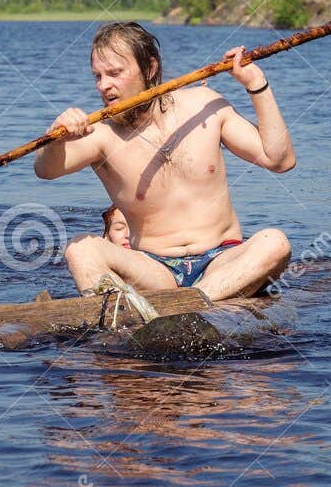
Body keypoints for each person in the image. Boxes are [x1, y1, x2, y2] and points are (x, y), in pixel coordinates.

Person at [35, 21, 294, 299]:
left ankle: (191, 302)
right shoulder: (100, 135)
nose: (104, 86)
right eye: (98, 76)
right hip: (154, 270)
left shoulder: (204, 105)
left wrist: (255, 83)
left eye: (114, 73)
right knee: (80, 248)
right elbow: (45, 170)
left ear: (150, 68)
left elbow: (279, 160)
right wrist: (55, 138)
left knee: (274, 242)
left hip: (222, 261)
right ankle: (116, 321)